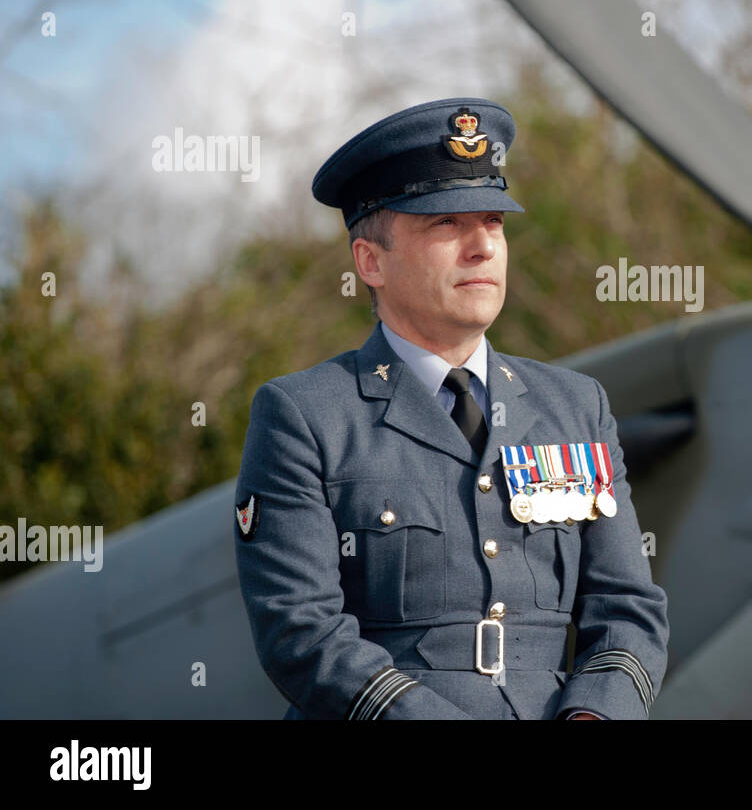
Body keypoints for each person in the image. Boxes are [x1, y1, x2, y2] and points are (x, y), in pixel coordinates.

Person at [233, 97, 668, 719]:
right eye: (445, 224)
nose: (482, 247)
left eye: (493, 220)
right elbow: (301, 633)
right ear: (370, 261)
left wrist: (594, 715)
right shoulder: (305, 416)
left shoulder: (577, 406)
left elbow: (628, 610)